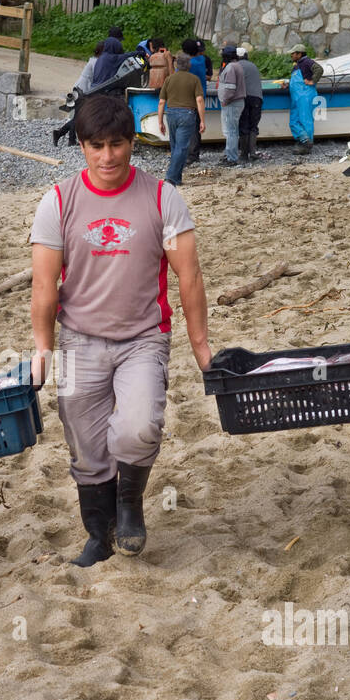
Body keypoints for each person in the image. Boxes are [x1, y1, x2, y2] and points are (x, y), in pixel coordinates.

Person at [29, 95, 213, 566]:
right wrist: (43, 348)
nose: (107, 156)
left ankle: (130, 503)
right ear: (82, 146)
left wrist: (201, 347)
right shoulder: (58, 202)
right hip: (79, 339)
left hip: (143, 338)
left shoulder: (162, 198)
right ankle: (100, 535)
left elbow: (189, 276)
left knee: (139, 427)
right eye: (96, 146)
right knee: (86, 448)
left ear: (133, 142)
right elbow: (45, 285)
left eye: (117, 144)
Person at [157, 54, 206, 187]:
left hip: (171, 113)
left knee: (175, 147)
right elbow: (199, 100)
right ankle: (170, 178)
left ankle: (177, 178)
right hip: (187, 114)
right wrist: (202, 120)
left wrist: (160, 121)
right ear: (189, 65)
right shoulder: (194, 79)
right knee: (182, 147)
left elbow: (161, 102)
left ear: (177, 65)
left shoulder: (169, 79)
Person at [289, 44, 323, 154]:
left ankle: (306, 145)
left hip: (305, 96)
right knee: (294, 121)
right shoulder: (297, 65)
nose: (291, 55)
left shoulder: (307, 62)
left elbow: (319, 69)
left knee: (305, 121)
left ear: (299, 54)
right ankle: (303, 140)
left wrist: (312, 81)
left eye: (293, 53)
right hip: (297, 98)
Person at [217, 45, 246, 167]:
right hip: (237, 102)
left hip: (232, 103)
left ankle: (232, 158)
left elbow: (230, 88)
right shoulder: (237, 65)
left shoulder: (230, 68)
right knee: (232, 131)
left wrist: (225, 100)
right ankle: (230, 155)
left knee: (231, 132)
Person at [182, 39, 210, 164]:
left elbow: (176, 75)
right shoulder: (201, 60)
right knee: (196, 125)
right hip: (200, 95)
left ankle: (192, 155)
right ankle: (194, 153)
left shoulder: (189, 64)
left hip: (190, 98)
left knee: (191, 127)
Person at [236, 44, 266, 162]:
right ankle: (253, 152)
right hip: (257, 98)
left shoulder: (236, 66)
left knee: (244, 125)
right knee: (253, 125)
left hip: (244, 98)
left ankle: (244, 154)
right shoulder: (253, 65)